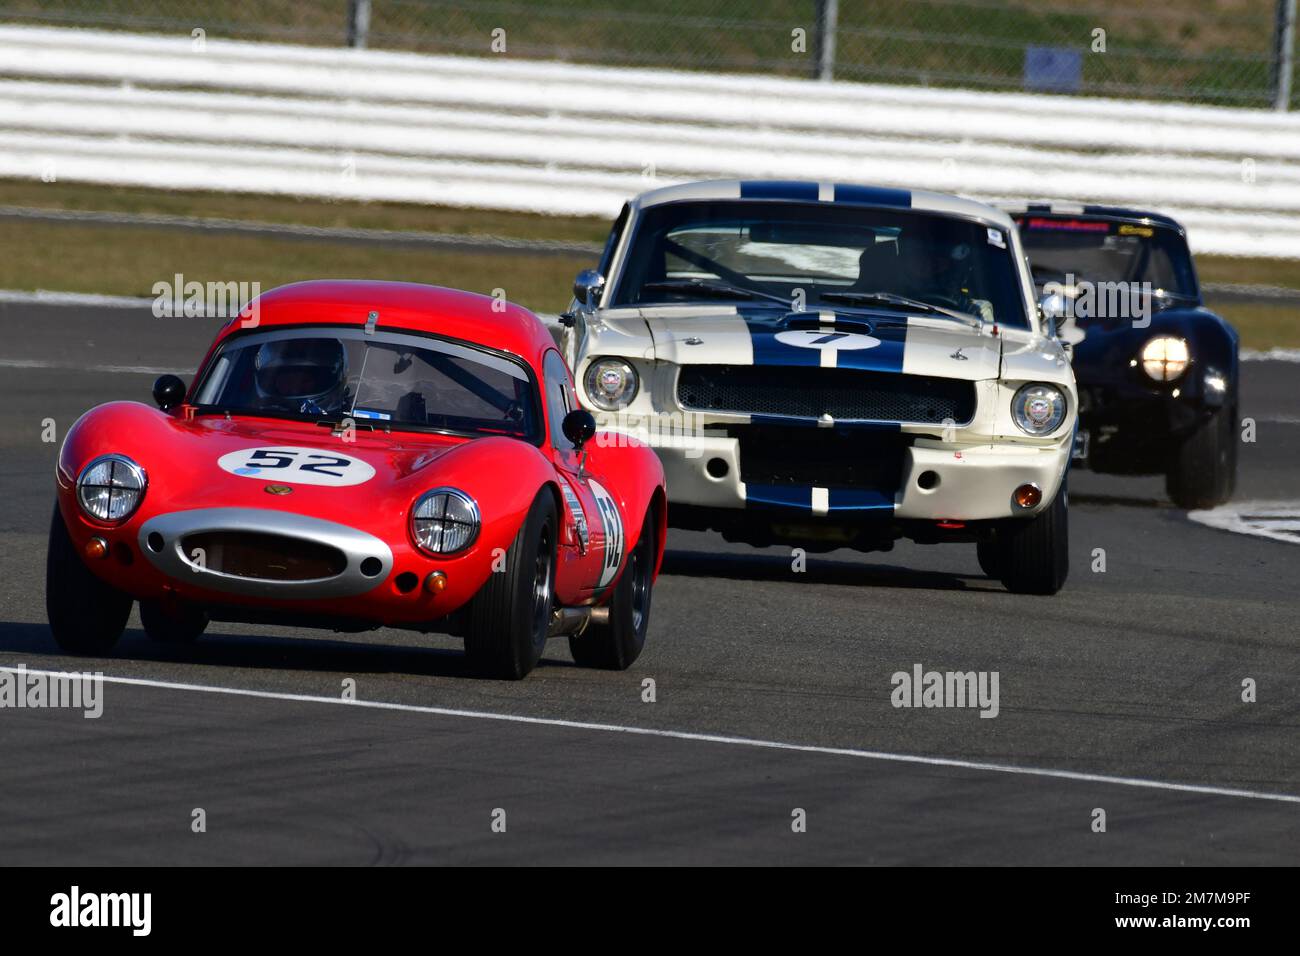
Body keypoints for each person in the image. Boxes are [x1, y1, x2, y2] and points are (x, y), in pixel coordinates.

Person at [253, 338, 350, 415]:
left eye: (304, 381)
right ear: (273, 383)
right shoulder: (252, 414)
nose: (294, 389)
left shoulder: (345, 425)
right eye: (287, 382)